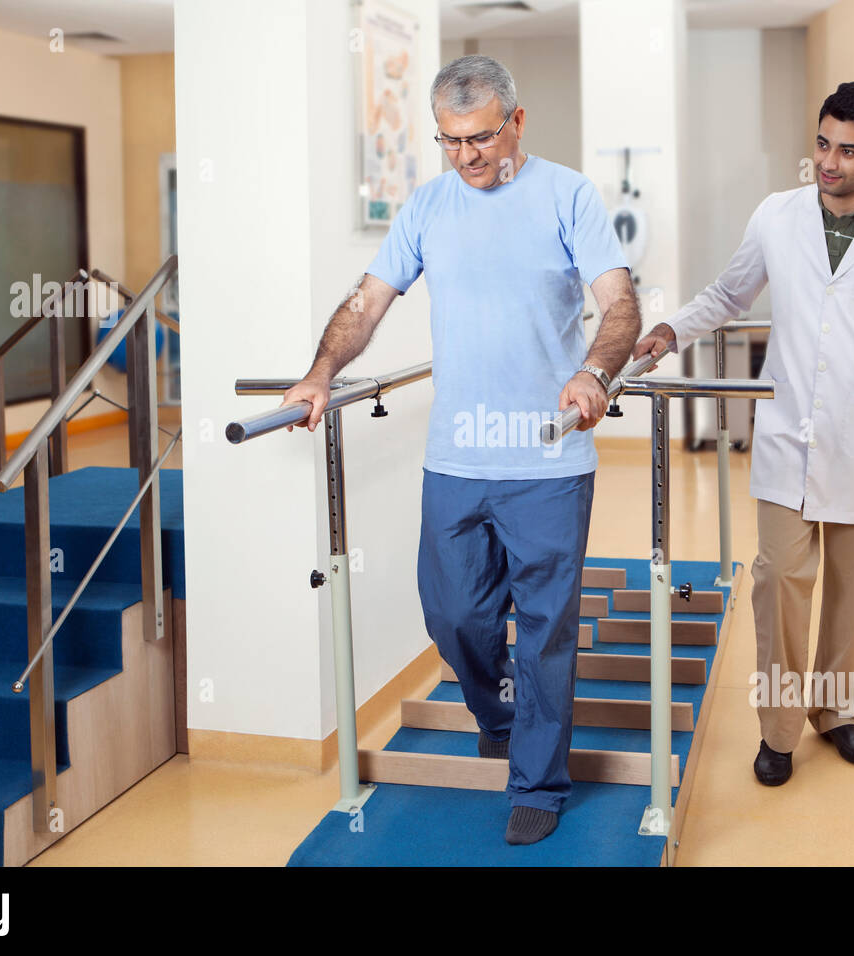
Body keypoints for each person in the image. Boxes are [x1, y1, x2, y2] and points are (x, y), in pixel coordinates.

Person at [280, 55, 641, 842]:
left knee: (545, 630)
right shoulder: (428, 206)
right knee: (453, 617)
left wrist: (593, 373)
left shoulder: (568, 195)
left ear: (516, 120)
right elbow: (366, 301)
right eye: (449, 140)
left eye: (479, 138)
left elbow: (620, 303)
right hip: (456, 460)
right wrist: (320, 373)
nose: (466, 155)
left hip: (547, 461)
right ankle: (494, 708)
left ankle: (538, 786)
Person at [633, 81, 854, 786]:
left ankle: (839, 714)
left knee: (852, 589)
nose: (829, 162)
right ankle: (778, 730)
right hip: (788, 435)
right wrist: (671, 329)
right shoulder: (776, 216)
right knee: (778, 579)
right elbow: (728, 295)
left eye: (848, 150)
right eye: (822, 144)